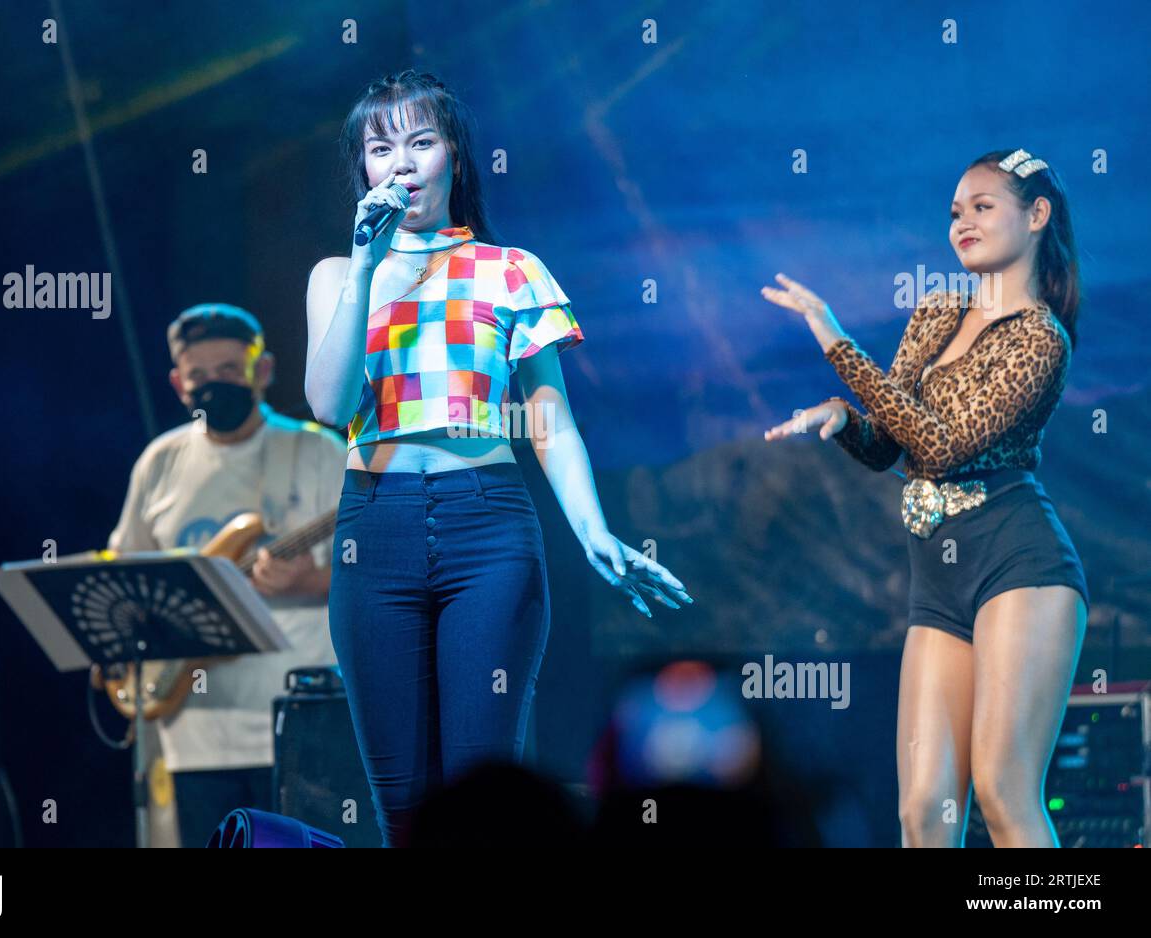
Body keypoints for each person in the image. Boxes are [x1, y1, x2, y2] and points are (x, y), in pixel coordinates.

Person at [304, 69, 693, 846]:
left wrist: (593, 532)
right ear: (364, 169)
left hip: (488, 527)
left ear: (455, 155)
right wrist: (368, 266)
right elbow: (328, 405)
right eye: (382, 149)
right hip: (373, 530)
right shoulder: (340, 276)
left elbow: (551, 420)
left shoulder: (509, 269)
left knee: (486, 803)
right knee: (403, 808)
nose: (402, 164)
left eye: (422, 141)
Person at [761, 148, 1088, 847]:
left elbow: (941, 448)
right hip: (938, 583)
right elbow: (894, 444)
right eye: (955, 212)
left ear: (1037, 216)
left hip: (1018, 564)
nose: (962, 222)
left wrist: (838, 343)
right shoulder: (937, 311)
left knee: (1003, 791)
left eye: (982, 206)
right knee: (925, 813)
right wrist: (848, 422)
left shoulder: (1040, 338)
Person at [108, 303, 347, 846]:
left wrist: (308, 581)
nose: (214, 385)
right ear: (178, 383)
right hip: (193, 730)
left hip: (293, 728)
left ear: (263, 371)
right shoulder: (159, 462)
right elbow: (126, 576)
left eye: (229, 371)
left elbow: (374, 576)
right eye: (199, 376)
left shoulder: (317, 451)